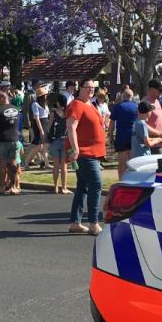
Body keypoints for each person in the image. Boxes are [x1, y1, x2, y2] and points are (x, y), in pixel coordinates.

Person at [66, 79, 106, 235]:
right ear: (80, 88)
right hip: (84, 152)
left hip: (93, 152)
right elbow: (71, 127)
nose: (90, 89)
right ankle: (93, 223)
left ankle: (75, 222)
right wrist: (75, 148)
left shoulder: (91, 105)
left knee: (83, 186)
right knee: (96, 184)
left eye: (92, 87)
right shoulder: (76, 104)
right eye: (87, 87)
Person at [0, 91, 22, 195]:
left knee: (2, 165)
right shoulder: (17, 109)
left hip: (3, 139)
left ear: (1, 99)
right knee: (13, 163)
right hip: (14, 138)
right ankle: (13, 187)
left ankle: (2, 187)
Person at [109, 87, 138, 180]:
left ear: (123, 96)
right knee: (133, 161)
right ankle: (133, 180)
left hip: (121, 136)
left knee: (121, 162)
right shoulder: (137, 107)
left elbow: (112, 122)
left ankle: (121, 180)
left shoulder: (118, 106)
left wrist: (110, 135)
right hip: (134, 137)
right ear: (132, 97)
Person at [47, 93, 70, 194]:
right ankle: (64, 187)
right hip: (66, 140)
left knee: (56, 164)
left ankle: (55, 186)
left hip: (55, 139)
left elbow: (49, 126)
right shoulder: (68, 112)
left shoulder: (53, 113)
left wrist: (46, 137)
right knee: (64, 166)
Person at [24, 85, 51, 169]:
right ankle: (26, 162)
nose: (46, 96)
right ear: (42, 96)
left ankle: (46, 163)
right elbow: (37, 118)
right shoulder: (35, 104)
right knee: (38, 146)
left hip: (45, 123)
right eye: (45, 95)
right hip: (39, 124)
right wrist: (41, 130)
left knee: (45, 145)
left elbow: (47, 115)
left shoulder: (45, 104)